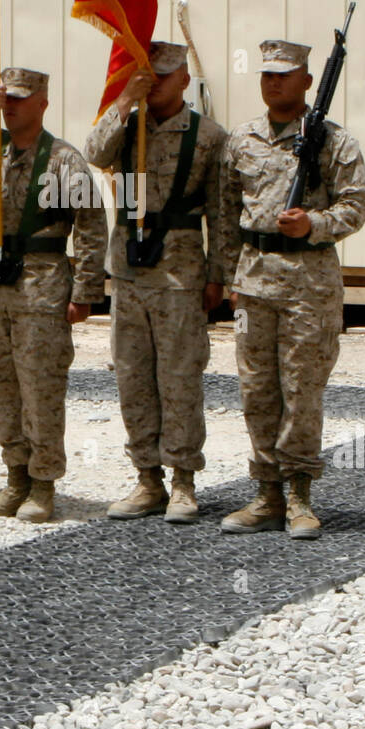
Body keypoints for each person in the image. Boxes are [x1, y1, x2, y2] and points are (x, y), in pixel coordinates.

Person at [0, 67, 108, 524]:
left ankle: (43, 482)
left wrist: (86, 290)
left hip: (42, 282)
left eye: (19, 98)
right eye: (4, 98)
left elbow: (91, 225)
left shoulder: (62, 160)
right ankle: (15, 475)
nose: (10, 106)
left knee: (40, 386)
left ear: (42, 103)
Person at [220, 39, 365, 540]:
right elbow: (224, 214)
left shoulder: (333, 139)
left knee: (302, 389)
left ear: (308, 80)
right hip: (255, 280)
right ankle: (266, 493)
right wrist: (227, 278)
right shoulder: (242, 139)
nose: (274, 82)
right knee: (257, 390)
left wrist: (314, 223)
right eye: (266, 74)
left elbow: (356, 205)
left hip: (310, 284)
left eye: (285, 74)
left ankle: (300, 493)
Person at [84, 41, 226, 524]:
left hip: (180, 274)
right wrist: (124, 102)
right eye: (150, 74)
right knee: (133, 377)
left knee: (180, 377)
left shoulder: (208, 137)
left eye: (165, 74)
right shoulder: (127, 130)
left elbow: (222, 214)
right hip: (129, 271)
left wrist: (219, 276)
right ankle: (147, 478)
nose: (157, 83)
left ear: (185, 79)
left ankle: (184, 479)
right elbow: (93, 152)